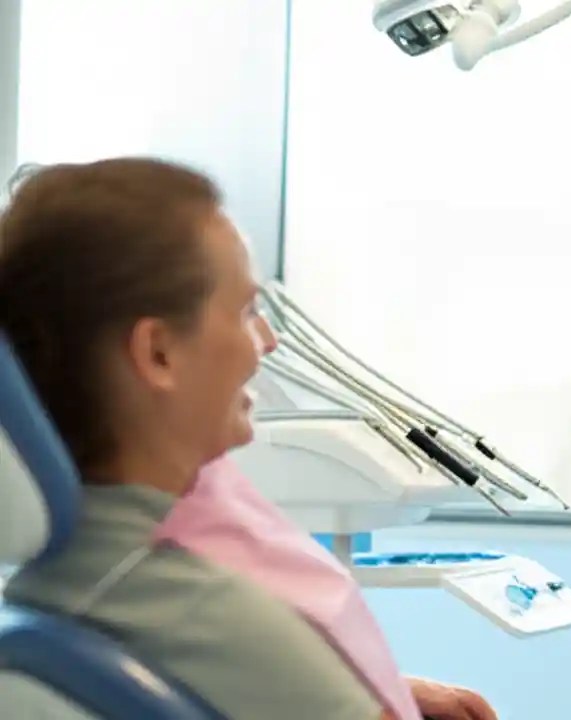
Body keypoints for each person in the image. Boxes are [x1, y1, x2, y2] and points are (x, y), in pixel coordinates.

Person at [0, 158, 498, 720]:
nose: (266, 342)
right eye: (246, 311)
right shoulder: (195, 604)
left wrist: (379, 694)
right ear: (158, 354)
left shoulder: (100, 572)